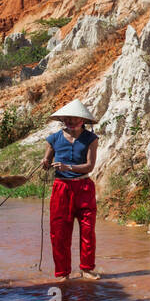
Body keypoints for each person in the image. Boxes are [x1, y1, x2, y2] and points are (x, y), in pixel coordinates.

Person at [40, 99, 101, 281]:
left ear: (82, 120)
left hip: (83, 187)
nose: (71, 121)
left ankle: (87, 269)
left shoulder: (91, 139)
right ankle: (62, 273)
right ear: (63, 120)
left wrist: (69, 167)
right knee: (59, 232)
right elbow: (47, 162)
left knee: (88, 229)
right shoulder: (53, 139)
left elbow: (89, 166)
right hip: (61, 189)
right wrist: (45, 163)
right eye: (67, 118)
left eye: (75, 118)